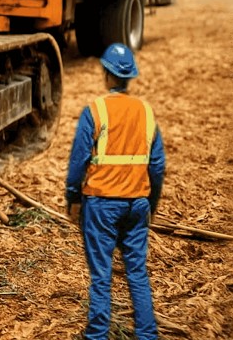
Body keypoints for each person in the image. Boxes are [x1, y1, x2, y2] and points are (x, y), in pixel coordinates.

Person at [65, 42, 165, 340]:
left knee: (101, 276)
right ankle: (147, 335)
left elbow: (78, 160)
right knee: (136, 273)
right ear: (129, 76)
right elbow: (157, 166)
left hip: (101, 204)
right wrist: (152, 203)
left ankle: (97, 335)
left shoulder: (94, 111)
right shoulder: (147, 113)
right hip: (136, 205)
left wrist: (73, 198)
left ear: (106, 73)